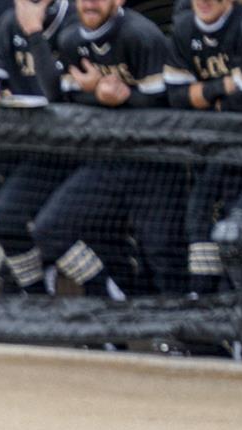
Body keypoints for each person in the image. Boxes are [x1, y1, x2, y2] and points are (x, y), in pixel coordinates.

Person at [29, 0, 183, 296]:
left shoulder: (142, 35)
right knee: (49, 229)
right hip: (105, 163)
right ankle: (109, 301)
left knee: (163, 255)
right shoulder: (71, 38)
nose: (90, 2)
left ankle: (191, 338)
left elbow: (170, 105)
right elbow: (65, 98)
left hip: (157, 166)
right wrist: (101, 92)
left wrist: (124, 96)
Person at [0, 0, 81, 294]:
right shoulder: (9, 20)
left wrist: (34, 31)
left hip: (81, 152)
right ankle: (37, 298)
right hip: (36, 154)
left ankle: (109, 324)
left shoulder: (76, 18)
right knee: (5, 218)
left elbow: (53, 91)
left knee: (65, 231)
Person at [169, 0, 242, 295]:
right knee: (200, 214)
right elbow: (176, 97)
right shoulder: (186, 27)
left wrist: (202, 95)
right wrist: (222, 88)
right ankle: (204, 310)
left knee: (234, 232)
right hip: (220, 154)